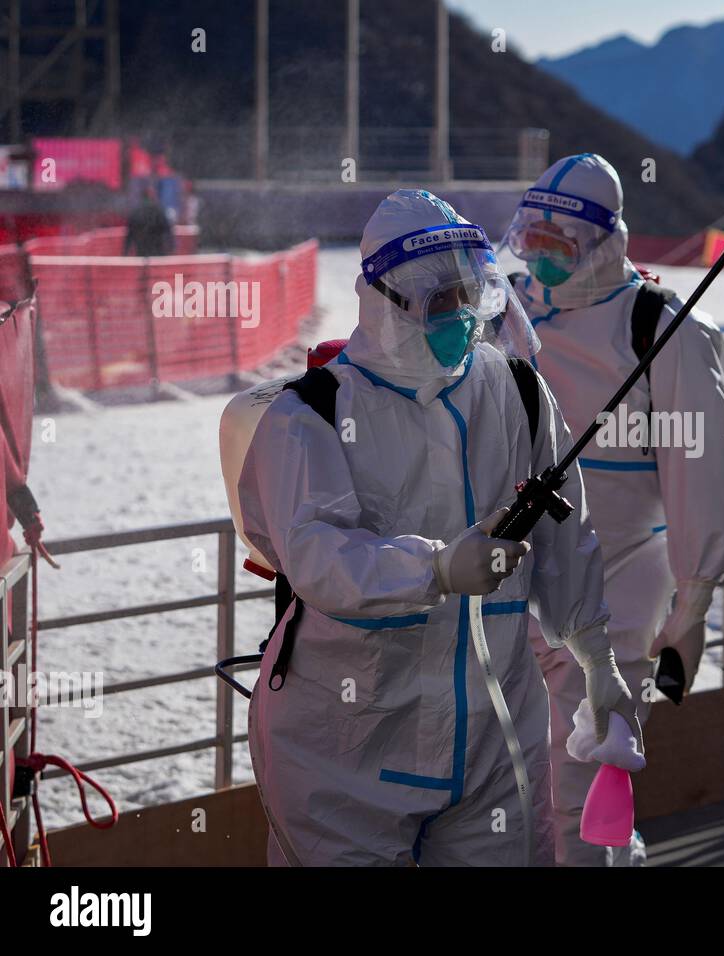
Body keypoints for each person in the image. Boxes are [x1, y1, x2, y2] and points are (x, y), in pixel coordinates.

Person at [238, 189, 639, 866]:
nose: (460, 317)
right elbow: (317, 557)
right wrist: (435, 569)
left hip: (493, 742)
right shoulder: (310, 415)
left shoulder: (516, 393)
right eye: (438, 301)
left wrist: (599, 658)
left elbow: (567, 538)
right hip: (345, 749)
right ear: (383, 301)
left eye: (469, 297)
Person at [506, 154, 724, 865]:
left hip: (618, 593)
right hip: (515, 581)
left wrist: (694, 600)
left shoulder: (659, 328)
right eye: (532, 241)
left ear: (603, 241)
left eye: (560, 245)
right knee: (513, 778)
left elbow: (701, 471)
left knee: (585, 785)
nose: (541, 259)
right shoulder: (512, 310)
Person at [123, 186, 174, 257]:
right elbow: (168, 230)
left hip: (141, 251)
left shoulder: (135, 211)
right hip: (157, 250)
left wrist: (125, 252)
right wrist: (171, 247)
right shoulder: (158, 210)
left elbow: (129, 235)